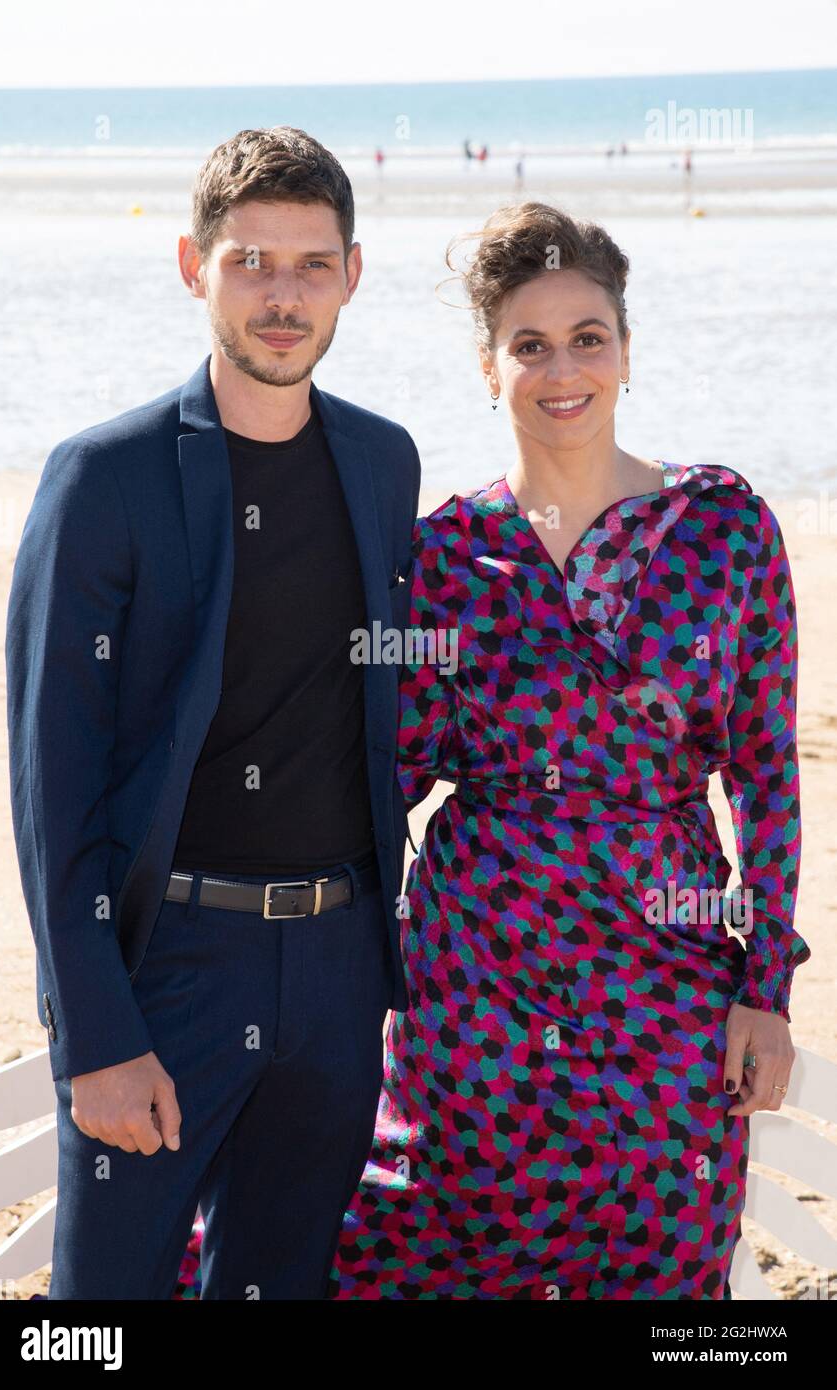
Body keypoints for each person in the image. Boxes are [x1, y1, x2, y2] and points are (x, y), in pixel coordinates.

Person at [327, 201, 810, 1299]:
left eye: (586, 337)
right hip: (475, 976)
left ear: (626, 353)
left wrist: (763, 988)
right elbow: (379, 783)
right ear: (486, 367)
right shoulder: (443, 554)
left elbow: (766, 772)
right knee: (427, 1245)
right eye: (528, 344)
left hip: (666, 966)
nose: (561, 369)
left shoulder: (725, 526)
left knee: (662, 1255)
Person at [5, 125, 421, 1300]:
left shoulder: (384, 464)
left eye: (311, 264)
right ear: (193, 266)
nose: (281, 297)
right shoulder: (105, 476)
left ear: (352, 272)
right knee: (101, 1309)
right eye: (250, 262)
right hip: (167, 963)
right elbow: (52, 781)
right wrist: (94, 1033)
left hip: (337, 962)